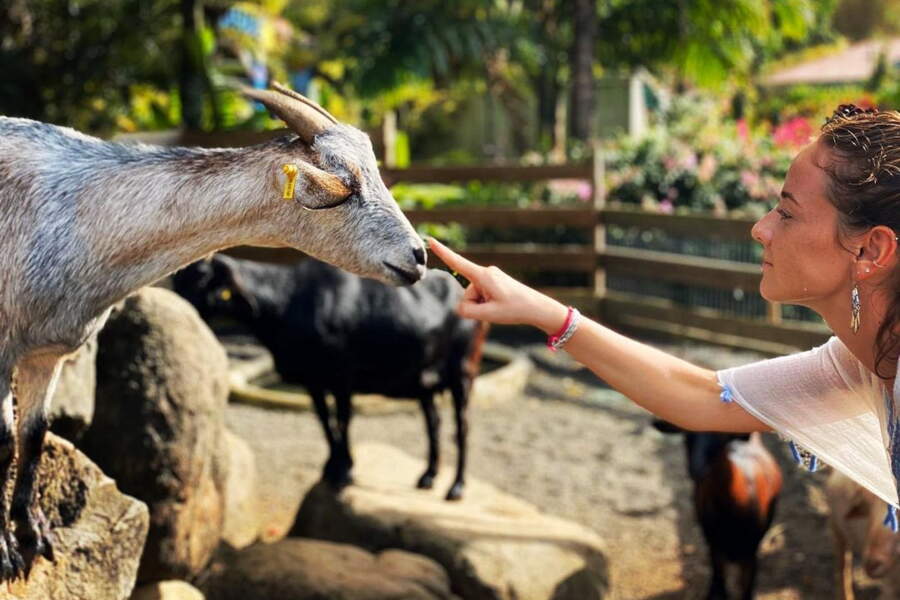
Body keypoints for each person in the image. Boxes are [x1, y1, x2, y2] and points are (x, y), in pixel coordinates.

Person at [428, 105, 900, 522]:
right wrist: (544, 312)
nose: (761, 229)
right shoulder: (860, 362)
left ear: (870, 249)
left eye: (787, 213)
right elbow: (702, 397)